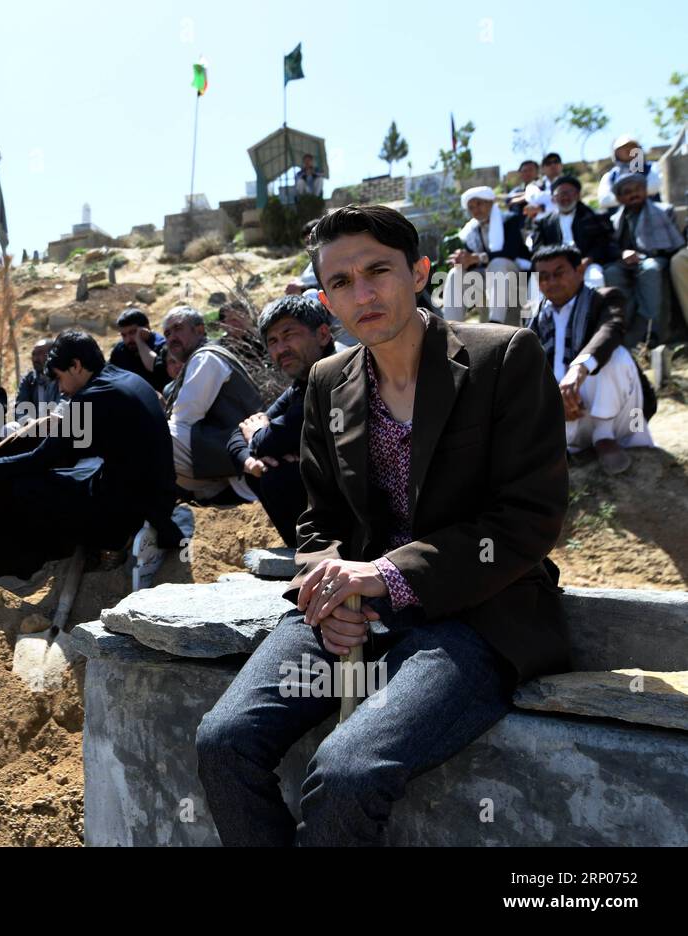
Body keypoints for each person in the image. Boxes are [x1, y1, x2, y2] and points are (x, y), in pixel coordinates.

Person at [195, 204, 569, 847]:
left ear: (420, 271)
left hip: (474, 616)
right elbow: (318, 520)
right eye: (342, 282)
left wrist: (387, 574)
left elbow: (528, 517)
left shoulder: (502, 357)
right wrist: (326, 595)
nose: (363, 294)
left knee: (346, 773)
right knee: (223, 742)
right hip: (352, 612)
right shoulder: (325, 381)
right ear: (325, 299)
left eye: (378, 271)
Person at [0, 330, 184, 563]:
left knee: (25, 487)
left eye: (58, 377)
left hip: (132, 508)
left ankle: (101, 545)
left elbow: (38, 459)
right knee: (68, 476)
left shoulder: (91, 397)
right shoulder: (126, 378)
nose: (60, 388)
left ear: (76, 365)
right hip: (160, 496)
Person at [529, 244, 655, 475]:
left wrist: (579, 369)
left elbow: (611, 329)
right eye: (543, 277)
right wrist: (556, 403)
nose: (551, 282)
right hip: (567, 416)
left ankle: (604, 436)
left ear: (579, 271)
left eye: (559, 273)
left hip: (621, 415)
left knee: (615, 355)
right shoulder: (536, 318)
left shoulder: (605, 298)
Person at [226, 296, 336, 547]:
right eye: (273, 341)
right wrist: (250, 461)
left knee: (280, 475)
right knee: (264, 470)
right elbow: (238, 434)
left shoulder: (335, 375)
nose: (280, 348)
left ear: (322, 334)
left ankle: (318, 547)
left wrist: (258, 439)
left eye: (289, 335)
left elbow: (267, 438)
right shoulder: (301, 384)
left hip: (366, 504)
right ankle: (303, 545)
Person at [160, 306, 263, 503]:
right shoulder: (199, 357)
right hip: (229, 448)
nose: (172, 337)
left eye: (178, 328)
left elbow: (184, 417)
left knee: (156, 436)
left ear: (199, 330)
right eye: (167, 333)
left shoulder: (206, 357)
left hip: (246, 452)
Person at [602, 171, 685, 347]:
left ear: (646, 190)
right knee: (611, 273)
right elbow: (611, 247)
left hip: (656, 257)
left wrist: (645, 255)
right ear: (619, 198)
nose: (634, 194)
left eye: (638, 189)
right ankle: (628, 330)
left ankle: (652, 333)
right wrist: (623, 254)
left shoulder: (664, 211)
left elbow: (673, 243)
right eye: (627, 191)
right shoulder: (614, 220)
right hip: (626, 262)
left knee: (650, 270)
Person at [442, 186, 531, 325]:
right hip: (486, 276)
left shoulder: (509, 219)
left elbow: (510, 252)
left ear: (490, 202)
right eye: (471, 207)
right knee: (455, 273)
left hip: (515, 272)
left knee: (498, 263)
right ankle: (450, 328)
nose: (476, 209)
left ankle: (496, 322)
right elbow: (472, 259)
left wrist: (478, 258)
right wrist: (464, 260)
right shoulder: (471, 231)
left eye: (479, 204)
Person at [531, 175, 616, 271]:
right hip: (553, 267)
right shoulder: (542, 223)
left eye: (570, 192)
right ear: (553, 198)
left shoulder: (595, 217)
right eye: (561, 193)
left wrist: (589, 259)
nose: (566, 197)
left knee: (595, 278)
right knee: (532, 282)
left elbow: (603, 243)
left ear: (578, 196)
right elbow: (538, 249)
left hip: (588, 264)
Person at [108, 309, 169, 391]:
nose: (128, 340)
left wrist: (139, 341)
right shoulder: (120, 350)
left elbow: (155, 368)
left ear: (147, 327)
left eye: (132, 332)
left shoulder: (161, 345)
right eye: (124, 335)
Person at [598, 135, 662, 211]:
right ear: (616, 153)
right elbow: (604, 200)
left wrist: (622, 196)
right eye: (623, 148)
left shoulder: (653, 167)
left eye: (632, 146)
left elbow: (655, 187)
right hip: (622, 220)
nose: (628, 149)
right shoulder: (609, 176)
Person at [15, 339, 62, 411]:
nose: (35, 359)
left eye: (40, 353)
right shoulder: (29, 380)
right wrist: (29, 421)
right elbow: (20, 410)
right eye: (33, 354)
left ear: (52, 355)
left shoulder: (63, 378)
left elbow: (63, 407)